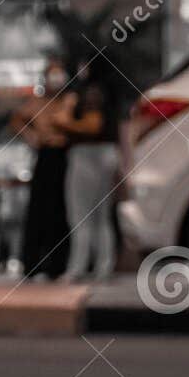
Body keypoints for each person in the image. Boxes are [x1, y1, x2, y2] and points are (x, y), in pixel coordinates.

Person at [53, 65, 118, 281]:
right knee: (101, 217)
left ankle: (78, 267)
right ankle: (103, 267)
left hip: (87, 155)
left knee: (80, 215)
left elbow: (92, 126)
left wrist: (66, 119)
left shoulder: (88, 92)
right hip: (105, 154)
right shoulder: (109, 91)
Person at [11, 56, 72, 280]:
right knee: (38, 209)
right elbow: (16, 120)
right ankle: (32, 263)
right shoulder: (37, 102)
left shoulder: (69, 100)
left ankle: (58, 264)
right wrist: (31, 136)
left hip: (64, 156)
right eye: (52, 73)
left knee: (61, 210)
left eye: (59, 73)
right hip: (45, 157)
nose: (56, 78)